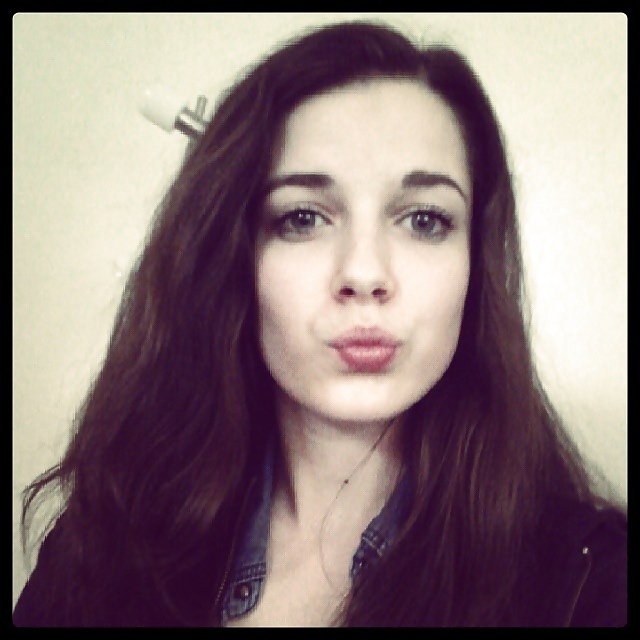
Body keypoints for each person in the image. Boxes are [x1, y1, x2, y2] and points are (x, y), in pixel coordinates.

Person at [13, 20, 626, 627]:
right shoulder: (100, 551)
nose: (363, 273)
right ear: (234, 259)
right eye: (303, 218)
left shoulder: (589, 586)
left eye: (424, 220)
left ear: (475, 266)